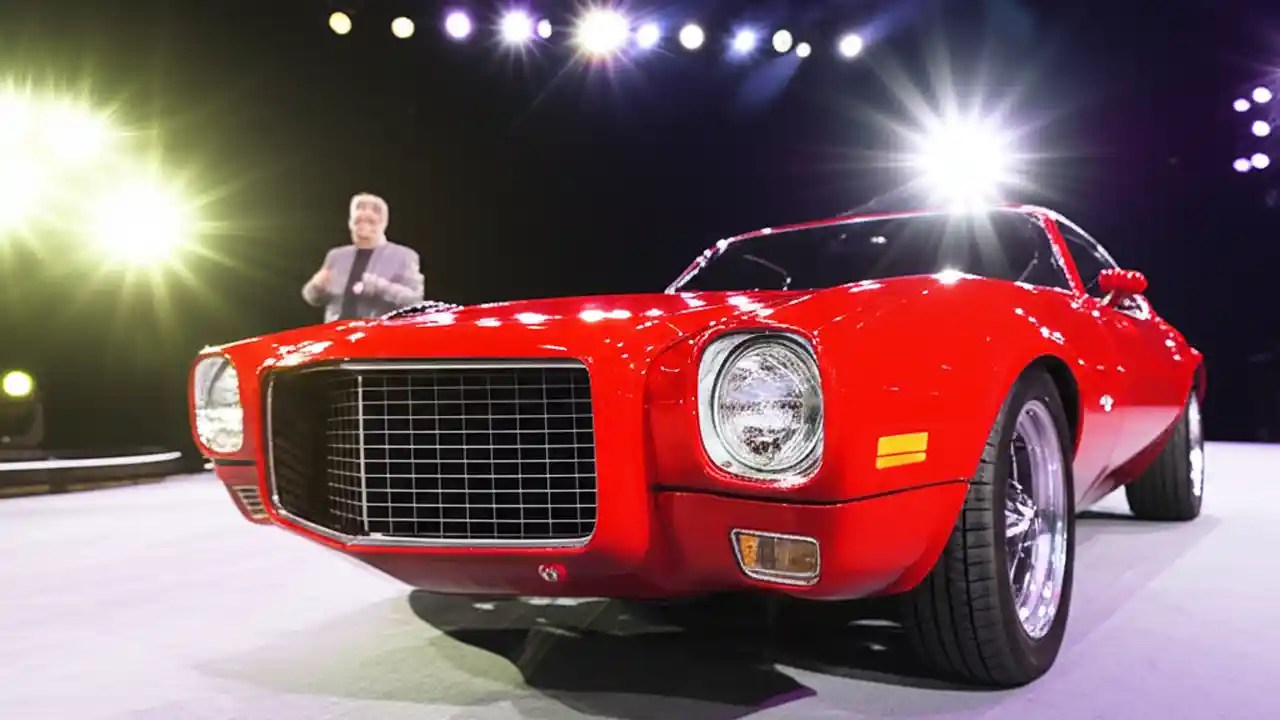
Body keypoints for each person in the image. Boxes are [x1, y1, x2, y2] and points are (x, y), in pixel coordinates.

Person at [301, 192, 425, 322]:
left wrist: (379, 286)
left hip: (378, 332)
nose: (363, 226)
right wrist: (317, 287)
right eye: (358, 221)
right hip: (336, 330)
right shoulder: (336, 256)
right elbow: (313, 298)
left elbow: (415, 302)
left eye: (371, 221)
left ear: (383, 223)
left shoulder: (404, 256)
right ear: (350, 223)